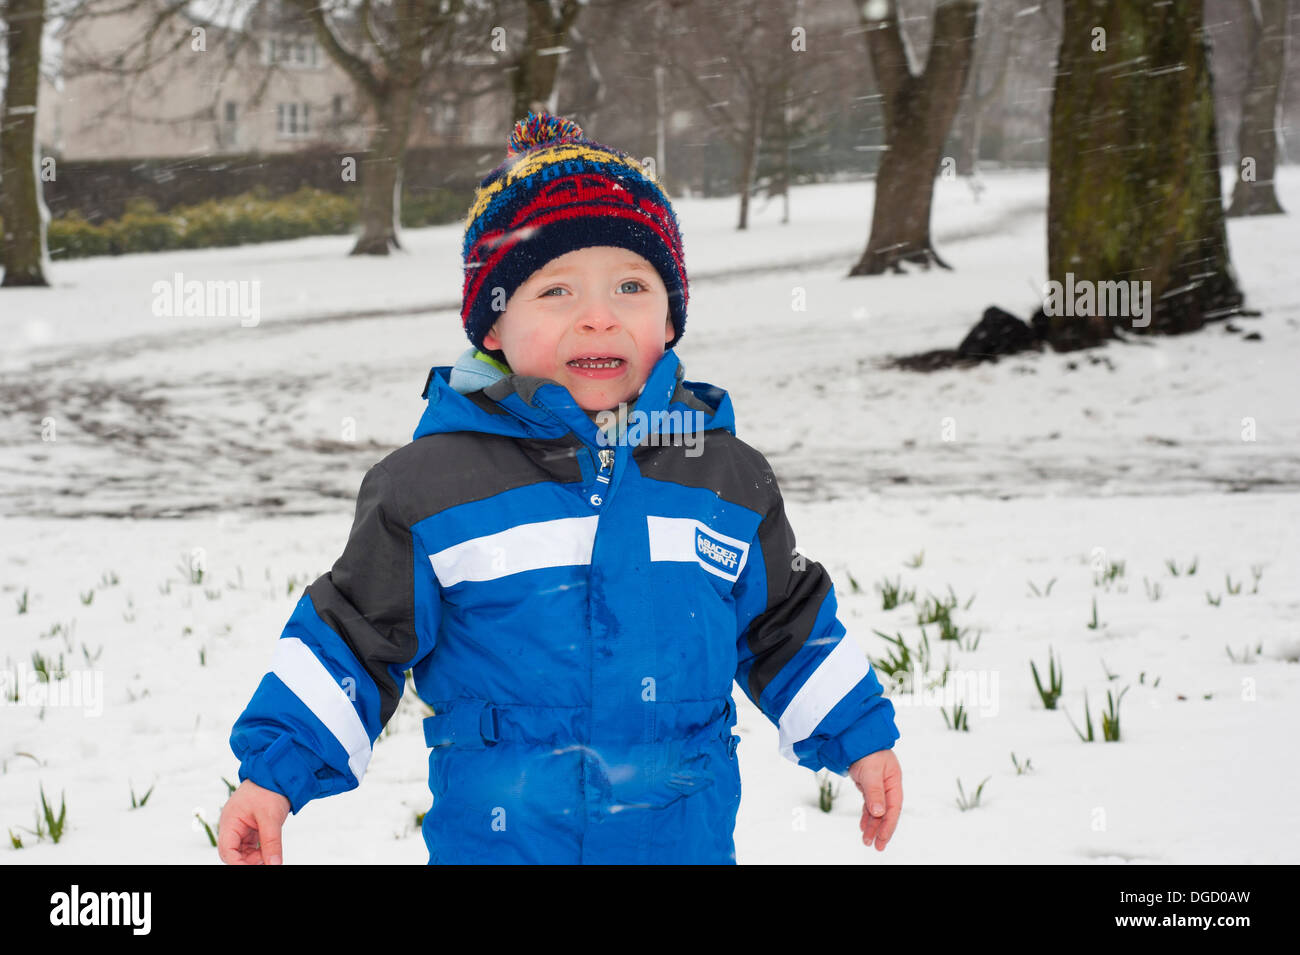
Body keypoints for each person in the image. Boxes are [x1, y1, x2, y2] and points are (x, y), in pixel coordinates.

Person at [218, 111, 903, 865]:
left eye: (631, 286)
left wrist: (857, 733)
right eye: (556, 293)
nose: (598, 317)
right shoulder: (433, 489)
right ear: (492, 327)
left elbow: (784, 623)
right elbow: (353, 634)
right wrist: (274, 774)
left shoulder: (723, 477)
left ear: (670, 318)